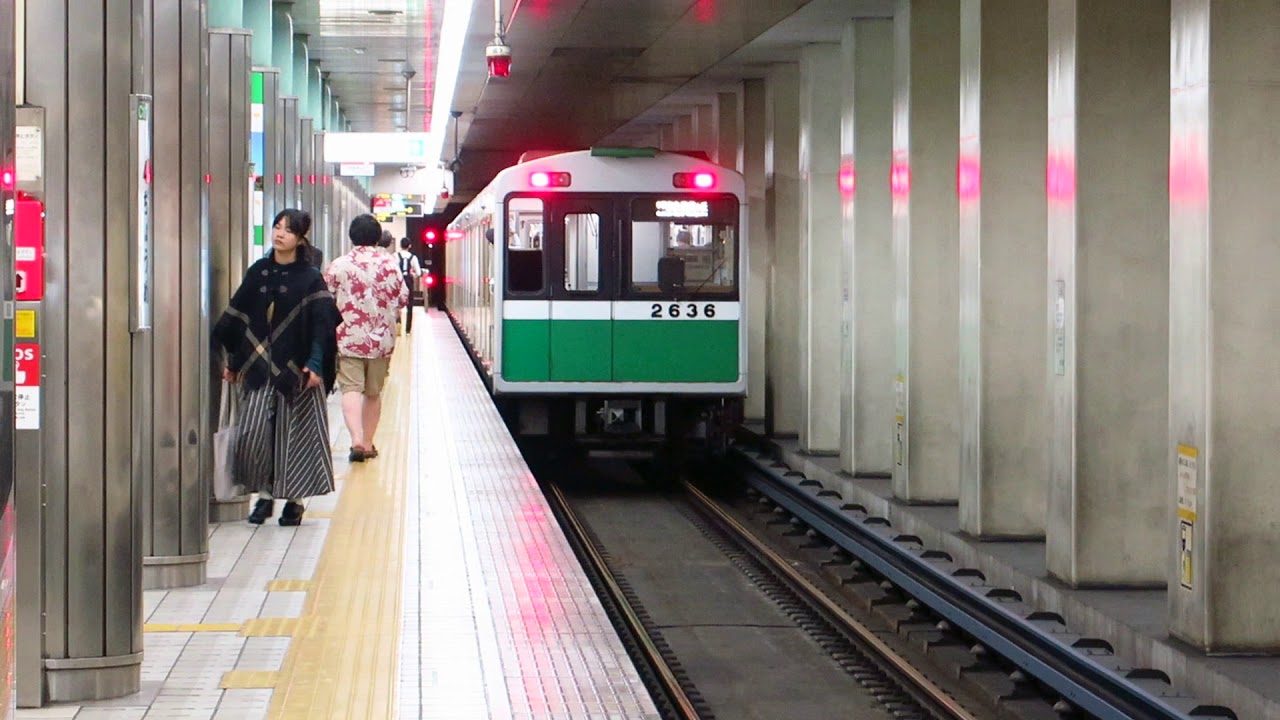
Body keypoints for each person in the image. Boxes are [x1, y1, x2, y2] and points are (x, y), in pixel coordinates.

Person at [213, 208, 342, 526]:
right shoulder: (258, 271)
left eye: (287, 229)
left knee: (294, 438)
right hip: (258, 370)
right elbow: (240, 318)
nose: (279, 233)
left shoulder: (310, 277)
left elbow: (322, 325)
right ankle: (264, 498)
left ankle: (294, 502)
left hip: (297, 372)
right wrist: (234, 362)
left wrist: (314, 365)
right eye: (276, 227)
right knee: (254, 434)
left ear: (300, 238)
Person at [324, 214, 408, 462]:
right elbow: (402, 298)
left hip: (348, 338)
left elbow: (326, 297)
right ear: (377, 236)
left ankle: (356, 441)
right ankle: (369, 442)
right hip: (381, 340)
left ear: (351, 235)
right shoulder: (389, 264)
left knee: (350, 389)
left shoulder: (339, 264)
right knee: (373, 392)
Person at [396, 237, 422, 334]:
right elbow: (418, 272)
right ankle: (408, 329)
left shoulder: (395, 256)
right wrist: (413, 275)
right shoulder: (413, 257)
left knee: (397, 304)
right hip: (408, 281)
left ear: (400, 245)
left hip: (398, 281)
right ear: (409, 246)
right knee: (410, 305)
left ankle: (398, 325)